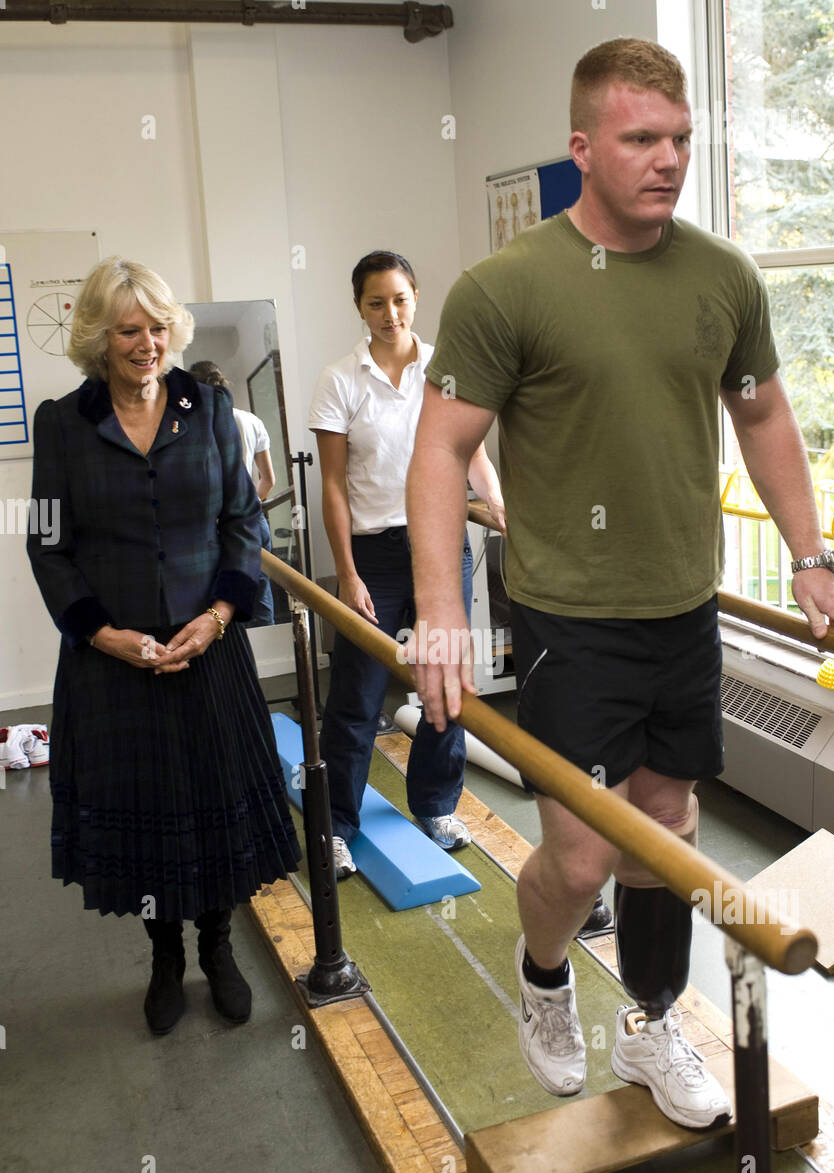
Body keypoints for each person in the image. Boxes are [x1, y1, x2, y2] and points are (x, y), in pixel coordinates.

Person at [406, 39, 834, 1127]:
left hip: (682, 610)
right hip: (569, 615)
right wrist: (437, 614)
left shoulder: (721, 277)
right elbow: (438, 451)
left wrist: (808, 554)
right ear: (582, 149)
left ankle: (653, 1026)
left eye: (682, 140)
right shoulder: (506, 289)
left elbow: (762, 415)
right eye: (641, 139)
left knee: (672, 827)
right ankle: (546, 975)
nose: (668, 160)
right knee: (582, 852)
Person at [27, 256, 301, 1036]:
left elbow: (243, 523)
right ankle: (165, 959)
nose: (146, 345)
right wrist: (103, 634)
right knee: (147, 813)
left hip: (207, 650)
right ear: (99, 340)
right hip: (114, 665)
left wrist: (218, 616)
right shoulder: (62, 424)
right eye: (127, 331)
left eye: (155, 328)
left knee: (213, 807)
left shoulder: (210, 409)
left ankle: (218, 949)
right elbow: (48, 547)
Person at [308, 250, 505, 878]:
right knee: (358, 697)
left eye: (399, 299)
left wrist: (498, 506)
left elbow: (467, 450)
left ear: (416, 297)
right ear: (359, 307)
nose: (390, 314)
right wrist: (348, 573)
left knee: (445, 682)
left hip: (443, 544)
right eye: (375, 302)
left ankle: (436, 805)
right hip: (374, 554)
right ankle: (336, 824)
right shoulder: (340, 380)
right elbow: (334, 486)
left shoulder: (447, 370)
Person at [189, 360, 276, 626]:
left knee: (220, 599)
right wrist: (248, 506)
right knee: (260, 592)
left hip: (214, 524)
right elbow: (268, 480)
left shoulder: (194, 427)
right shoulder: (250, 420)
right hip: (252, 519)